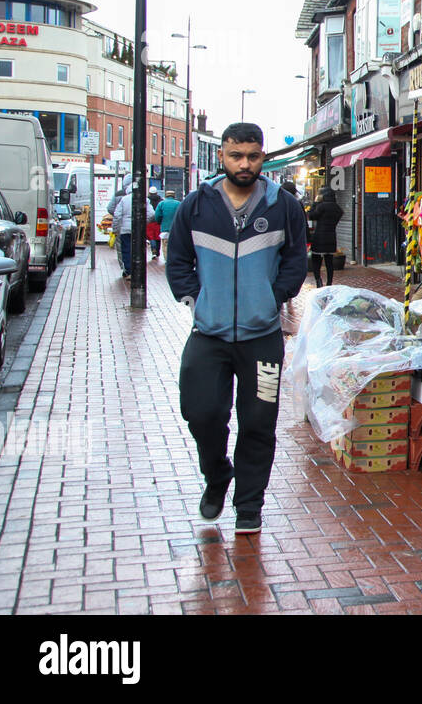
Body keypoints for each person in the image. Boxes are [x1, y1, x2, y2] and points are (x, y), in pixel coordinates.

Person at [166, 122, 307, 535]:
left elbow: (296, 261)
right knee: (201, 413)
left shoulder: (284, 206)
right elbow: (178, 260)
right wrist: (196, 300)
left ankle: (249, 505)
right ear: (223, 156)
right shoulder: (197, 205)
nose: (244, 164)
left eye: (253, 156)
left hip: (261, 337)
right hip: (208, 335)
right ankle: (217, 476)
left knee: (258, 422)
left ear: (263, 157)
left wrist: (272, 296)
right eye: (235, 156)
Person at [111, 189, 154, 281]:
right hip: (138, 229)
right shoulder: (144, 199)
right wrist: (143, 222)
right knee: (138, 249)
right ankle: (138, 270)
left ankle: (129, 271)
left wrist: (115, 229)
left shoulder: (124, 199)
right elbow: (151, 214)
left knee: (126, 250)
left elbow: (117, 215)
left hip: (125, 229)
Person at [307, 187, 342, 288]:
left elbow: (312, 215)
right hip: (331, 237)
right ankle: (329, 283)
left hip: (319, 237)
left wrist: (315, 203)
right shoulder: (337, 208)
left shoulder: (321, 206)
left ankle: (318, 281)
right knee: (329, 261)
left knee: (316, 259)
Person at [154, 190, 181, 260]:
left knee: (165, 245)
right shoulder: (178, 203)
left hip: (165, 228)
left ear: (166, 195)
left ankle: (167, 260)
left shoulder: (161, 204)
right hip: (176, 229)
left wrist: (160, 222)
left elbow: (157, 216)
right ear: (174, 196)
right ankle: (174, 259)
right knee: (175, 246)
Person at [146, 189, 162, 262]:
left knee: (152, 237)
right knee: (158, 236)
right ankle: (158, 251)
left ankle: (154, 251)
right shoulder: (160, 200)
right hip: (158, 221)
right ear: (156, 192)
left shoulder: (147, 200)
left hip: (149, 221)